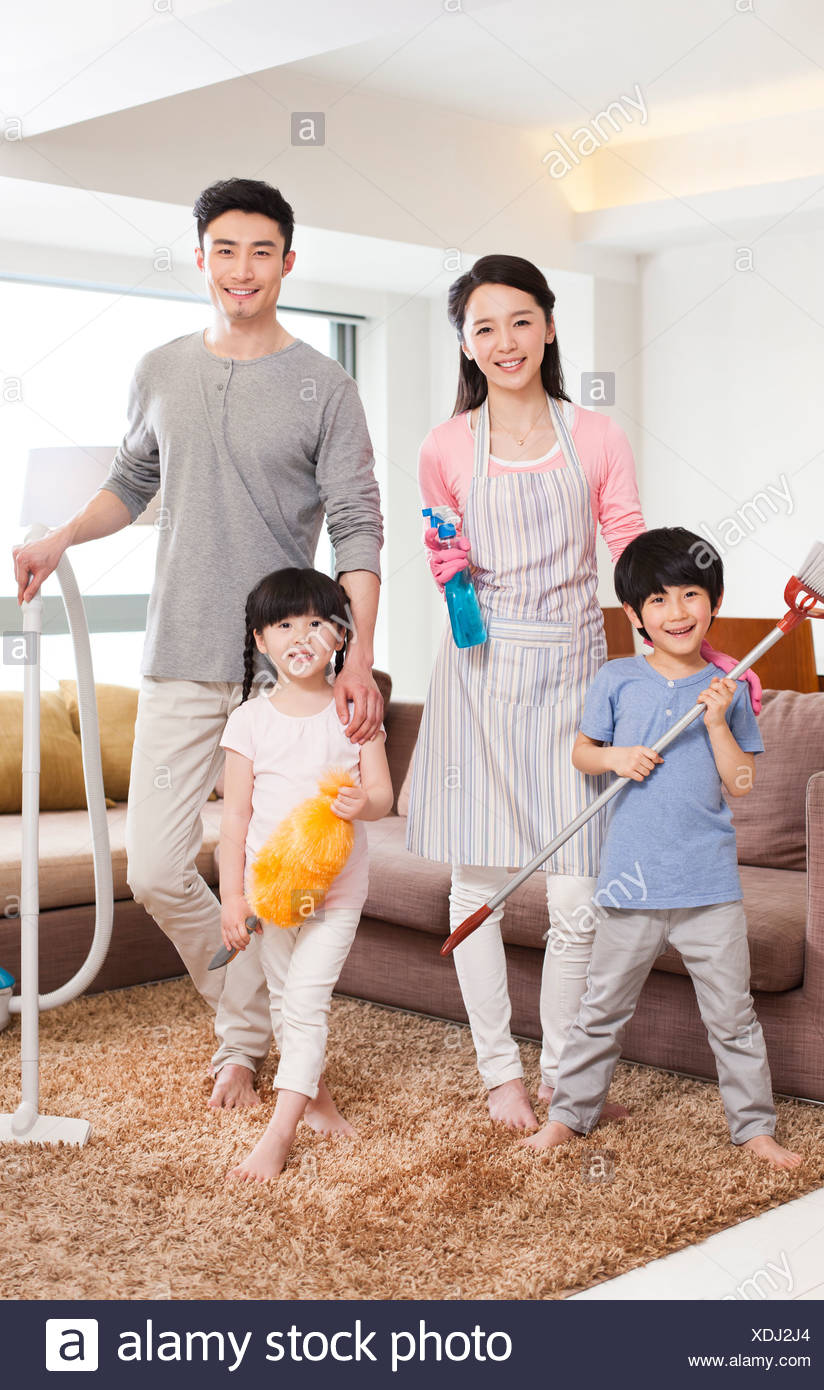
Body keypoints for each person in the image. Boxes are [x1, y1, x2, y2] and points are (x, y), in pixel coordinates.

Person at [11, 178, 384, 1110]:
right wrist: (59, 536)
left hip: (286, 674)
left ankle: (247, 1047)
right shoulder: (161, 368)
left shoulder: (325, 385)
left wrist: (359, 658)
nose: (243, 268)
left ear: (289, 262)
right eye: (226, 249)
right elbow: (132, 482)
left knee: (281, 874)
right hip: (176, 652)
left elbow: (359, 526)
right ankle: (261, 1025)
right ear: (202, 258)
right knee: (155, 868)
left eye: (262, 251)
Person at [406, 254, 646, 1130]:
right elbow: (448, 559)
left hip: (575, 673)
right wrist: (450, 577)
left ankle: (566, 1075)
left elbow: (625, 544)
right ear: (465, 347)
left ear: (547, 325)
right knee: (480, 890)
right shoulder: (443, 447)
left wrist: (677, 621)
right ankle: (500, 1072)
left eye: (519, 321)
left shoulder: (598, 436)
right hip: (479, 672)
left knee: (579, 896)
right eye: (483, 328)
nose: (504, 341)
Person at [523, 528, 803, 1169]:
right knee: (601, 1011)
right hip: (630, 883)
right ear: (633, 614)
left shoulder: (728, 688)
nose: (677, 612)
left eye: (690, 594)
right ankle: (570, 1115)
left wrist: (713, 722)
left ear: (715, 601)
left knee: (733, 1016)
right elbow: (582, 752)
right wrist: (618, 756)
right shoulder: (618, 678)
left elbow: (742, 783)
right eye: (658, 600)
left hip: (709, 887)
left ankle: (754, 1129)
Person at [218, 567, 392, 1181]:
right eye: (284, 624)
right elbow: (235, 821)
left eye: (317, 623)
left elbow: (383, 796)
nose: (302, 636)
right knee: (288, 999)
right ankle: (315, 1100)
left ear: (339, 637)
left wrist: (361, 805)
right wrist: (232, 898)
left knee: (308, 1003)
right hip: (271, 895)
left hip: (337, 892)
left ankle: (278, 1134)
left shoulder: (354, 711)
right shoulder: (249, 721)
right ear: (261, 640)